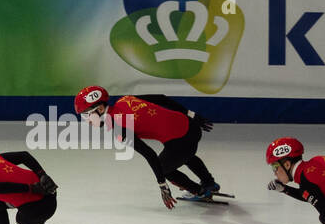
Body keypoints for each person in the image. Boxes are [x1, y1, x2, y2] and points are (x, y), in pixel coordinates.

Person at [74, 85, 218, 208]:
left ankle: (199, 192)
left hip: (182, 140)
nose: (87, 121)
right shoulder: (126, 99)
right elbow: (162, 98)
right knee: (182, 154)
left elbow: (149, 154)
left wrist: (163, 185)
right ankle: (209, 182)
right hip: (191, 126)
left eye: (87, 115)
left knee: (164, 168)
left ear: (99, 109)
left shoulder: (119, 127)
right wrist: (191, 114)